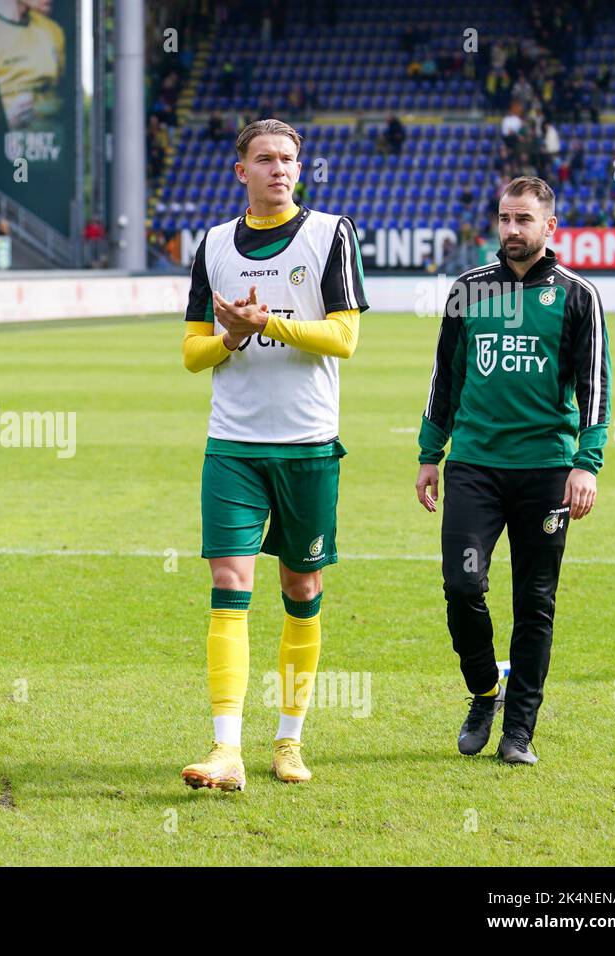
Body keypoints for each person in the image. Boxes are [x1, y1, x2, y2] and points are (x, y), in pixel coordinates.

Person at [179, 118, 367, 792]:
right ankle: (225, 750)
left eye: (288, 159)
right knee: (229, 584)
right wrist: (230, 338)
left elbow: (344, 338)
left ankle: (288, 740)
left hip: (307, 445)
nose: (279, 169)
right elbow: (191, 351)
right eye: (265, 159)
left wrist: (268, 323)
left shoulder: (330, 235)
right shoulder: (212, 245)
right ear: (241, 171)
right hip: (232, 445)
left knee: (301, 588)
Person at [416, 175, 611, 765]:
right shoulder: (469, 289)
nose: (512, 229)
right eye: (504, 218)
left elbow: (594, 388)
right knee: (463, 585)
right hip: (475, 467)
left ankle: (519, 731)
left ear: (550, 226)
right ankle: (484, 691)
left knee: (535, 601)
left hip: (547, 473)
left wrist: (586, 464)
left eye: (524, 219)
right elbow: (444, 378)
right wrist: (431, 453)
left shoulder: (578, 296)